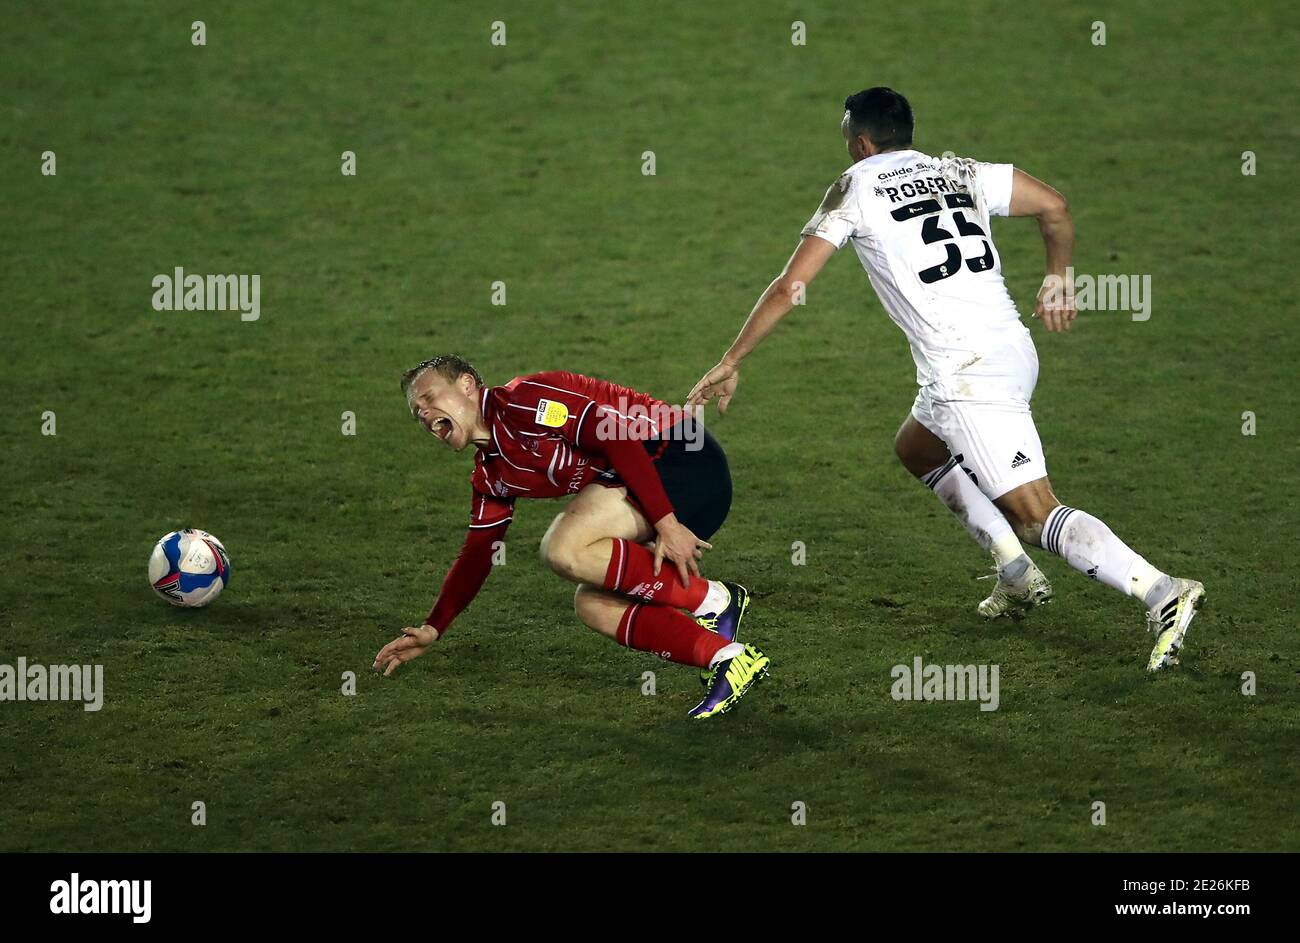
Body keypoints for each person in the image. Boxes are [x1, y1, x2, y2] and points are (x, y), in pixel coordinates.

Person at [687, 87, 1204, 671]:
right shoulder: (957, 169)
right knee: (917, 446)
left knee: (1035, 513)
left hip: (968, 374)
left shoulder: (855, 186)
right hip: (1008, 348)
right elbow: (1053, 206)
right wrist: (1057, 279)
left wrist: (731, 359)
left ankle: (1161, 591)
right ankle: (1014, 574)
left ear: (859, 142)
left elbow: (790, 287)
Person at [372, 355, 769, 717]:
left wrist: (666, 523)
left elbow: (616, 434)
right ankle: (728, 658)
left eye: (428, 398)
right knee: (592, 604)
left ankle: (712, 600)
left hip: (679, 455)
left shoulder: (523, 401)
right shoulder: (492, 474)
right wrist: (434, 627)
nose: (424, 414)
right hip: (651, 484)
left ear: (466, 384)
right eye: (417, 413)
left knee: (564, 549)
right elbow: (477, 554)